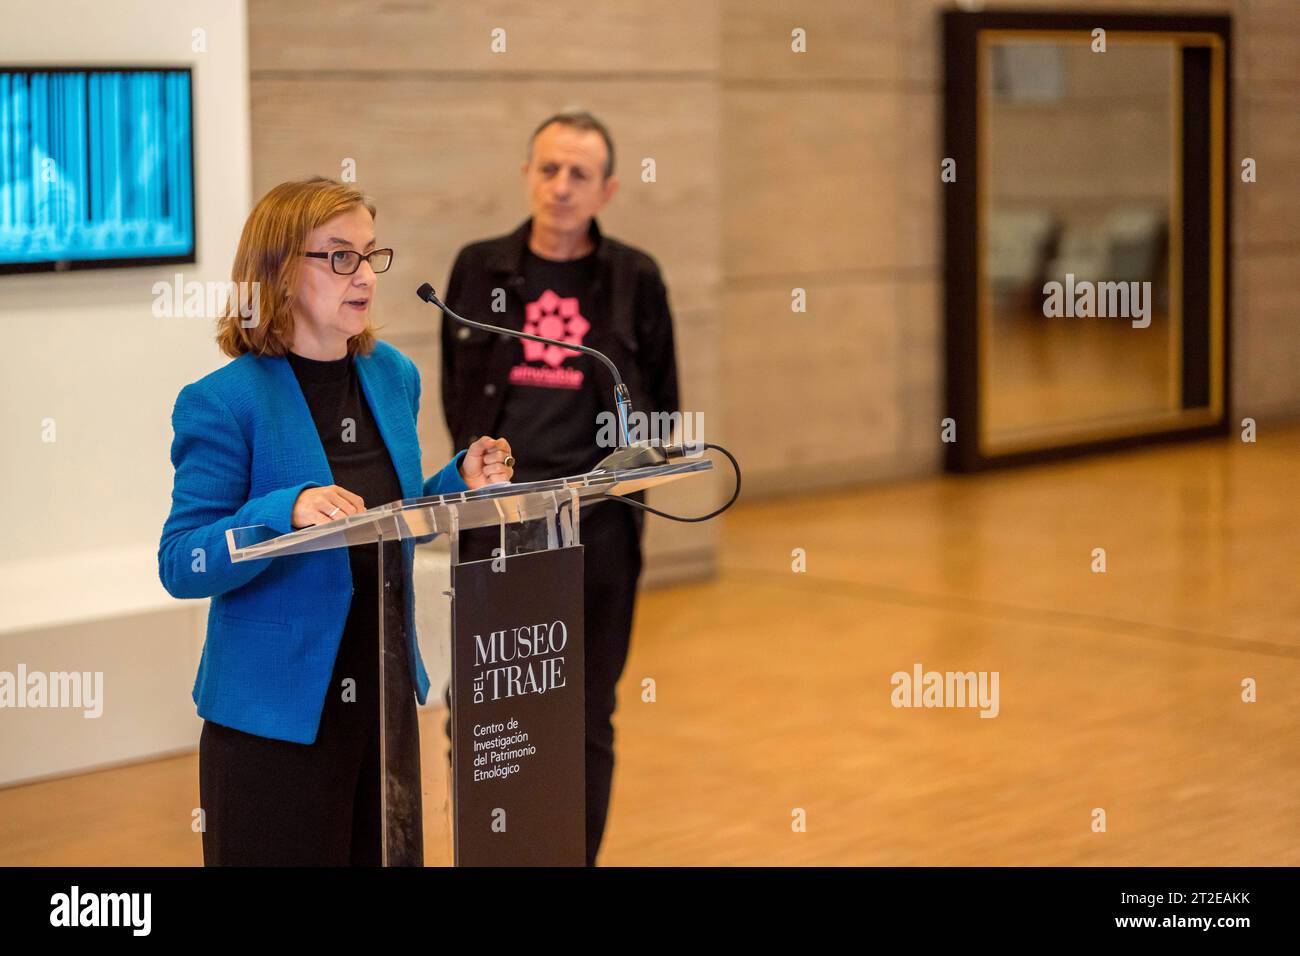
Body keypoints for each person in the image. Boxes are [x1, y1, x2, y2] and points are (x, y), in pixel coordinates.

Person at [158, 176, 514, 866]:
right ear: (280, 272)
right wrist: (281, 511)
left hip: (381, 701)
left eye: (370, 256)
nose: (364, 276)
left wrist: (458, 483)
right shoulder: (224, 402)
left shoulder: (393, 375)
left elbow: (392, 517)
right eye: (338, 256)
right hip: (274, 719)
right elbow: (182, 562)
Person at [440, 111, 680, 865]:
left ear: (607, 188)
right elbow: (458, 394)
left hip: (599, 529)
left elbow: (663, 401)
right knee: (483, 710)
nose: (561, 186)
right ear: (527, 175)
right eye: (548, 169)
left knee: (583, 713)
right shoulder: (478, 268)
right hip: (498, 525)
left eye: (579, 174)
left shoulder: (634, 277)